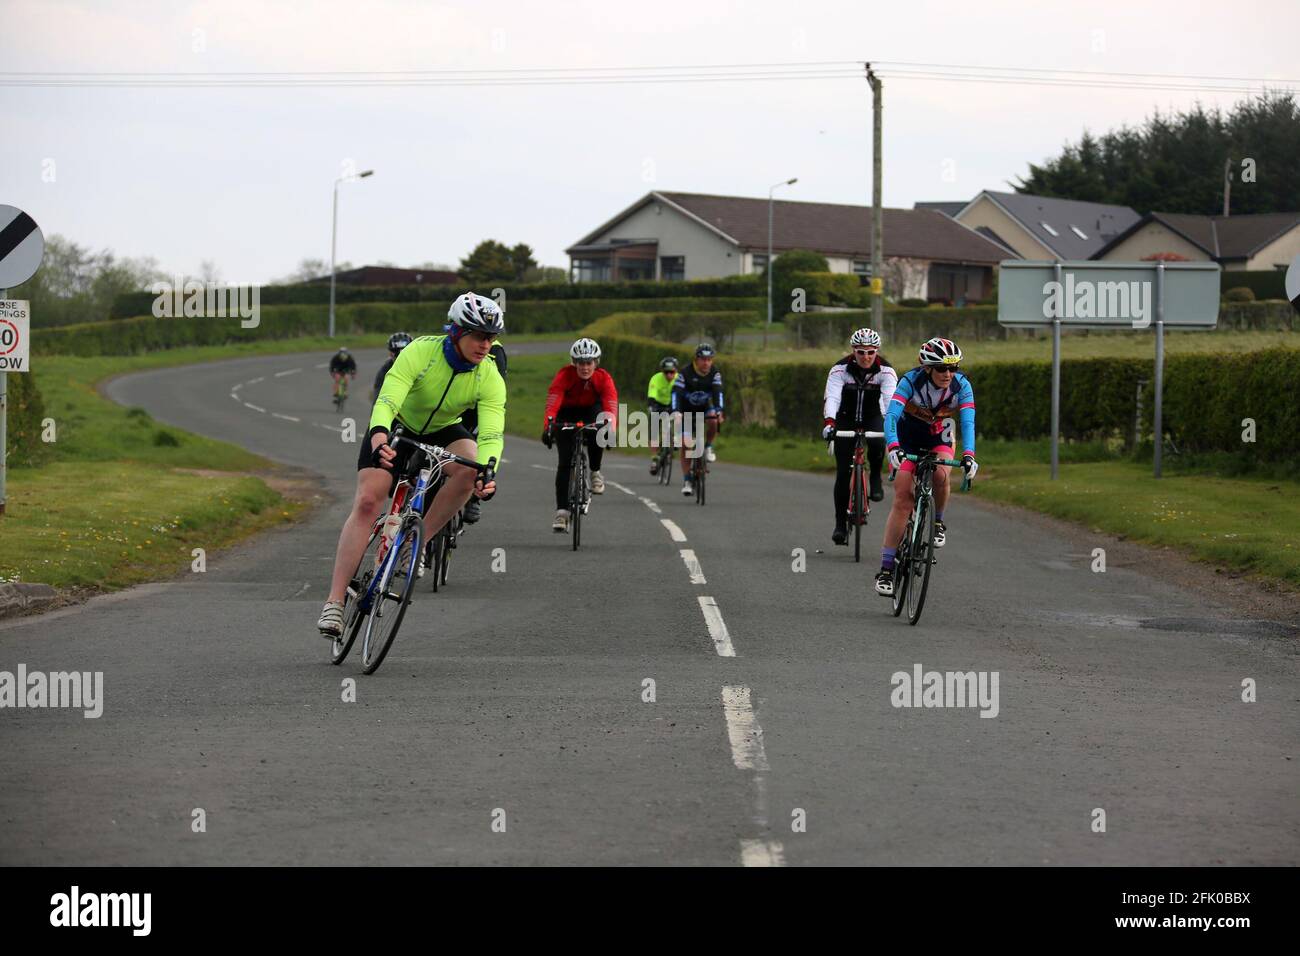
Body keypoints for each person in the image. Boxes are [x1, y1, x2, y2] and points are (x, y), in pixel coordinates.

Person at [316, 292, 505, 638]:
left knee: (470, 467)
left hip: (443, 429)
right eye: (479, 336)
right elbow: (388, 397)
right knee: (370, 501)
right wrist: (378, 436)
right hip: (399, 425)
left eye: (491, 338)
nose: (485, 344)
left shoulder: (489, 374)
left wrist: (488, 471)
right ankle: (334, 602)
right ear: (456, 332)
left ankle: (413, 545)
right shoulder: (421, 351)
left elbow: (492, 430)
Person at [873, 337, 977, 597]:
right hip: (907, 436)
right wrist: (894, 446)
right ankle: (886, 570)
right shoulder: (910, 381)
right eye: (942, 368)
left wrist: (969, 455)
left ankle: (938, 521)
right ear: (928, 368)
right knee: (903, 497)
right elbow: (892, 416)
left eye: (953, 368)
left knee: (942, 474)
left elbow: (967, 423)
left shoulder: (962, 385)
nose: (948, 374)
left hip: (938, 435)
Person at [822, 328, 897, 545]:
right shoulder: (839, 369)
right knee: (843, 473)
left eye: (870, 352)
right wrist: (830, 422)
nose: (866, 357)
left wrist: (891, 426)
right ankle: (839, 525)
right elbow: (833, 398)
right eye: (861, 352)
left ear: (877, 351)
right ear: (853, 351)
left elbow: (890, 401)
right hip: (845, 418)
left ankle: (874, 475)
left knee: (877, 440)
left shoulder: (886, 371)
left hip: (873, 416)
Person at [542, 337, 618, 532]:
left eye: (589, 363)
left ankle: (595, 471)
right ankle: (562, 514)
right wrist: (548, 426)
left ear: (596, 363)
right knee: (565, 463)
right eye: (581, 363)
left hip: (591, 410)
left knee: (599, 428)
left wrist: (611, 428)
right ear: (574, 363)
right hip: (566, 412)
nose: (585, 368)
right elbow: (553, 401)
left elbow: (610, 403)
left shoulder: (603, 378)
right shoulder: (564, 376)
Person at [458, 341, 508, 524]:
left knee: (480, 449)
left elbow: (497, 389)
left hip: (479, 406)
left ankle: (473, 499)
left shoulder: (495, 350)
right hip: (453, 403)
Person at [671, 343, 724, 496]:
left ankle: (707, 446)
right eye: (703, 359)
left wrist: (719, 410)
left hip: (705, 407)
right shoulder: (685, 373)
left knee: (713, 420)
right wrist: (676, 411)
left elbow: (718, 392)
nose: (706, 363)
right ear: (696, 359)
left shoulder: (715, 373)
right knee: (685, 445)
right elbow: (677, 393)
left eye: (709, 360)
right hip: (687, 410)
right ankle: (687, 480)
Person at [647, 356, 678, 475]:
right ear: (662, 371)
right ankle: (655, 459)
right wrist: (651, 407)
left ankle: (675, 439)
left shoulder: (679, 379)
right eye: (666, 372)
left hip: (673, 405)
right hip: (658, 404)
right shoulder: (656, 379)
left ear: (676, 371)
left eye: (672, 372)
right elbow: (651, 395)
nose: (669, 375)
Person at [370, 332, 413, 403]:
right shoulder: (385, 368)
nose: (400, 356)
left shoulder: (420, 365)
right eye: (396, 352)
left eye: (404, 352)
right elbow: (378, 394)